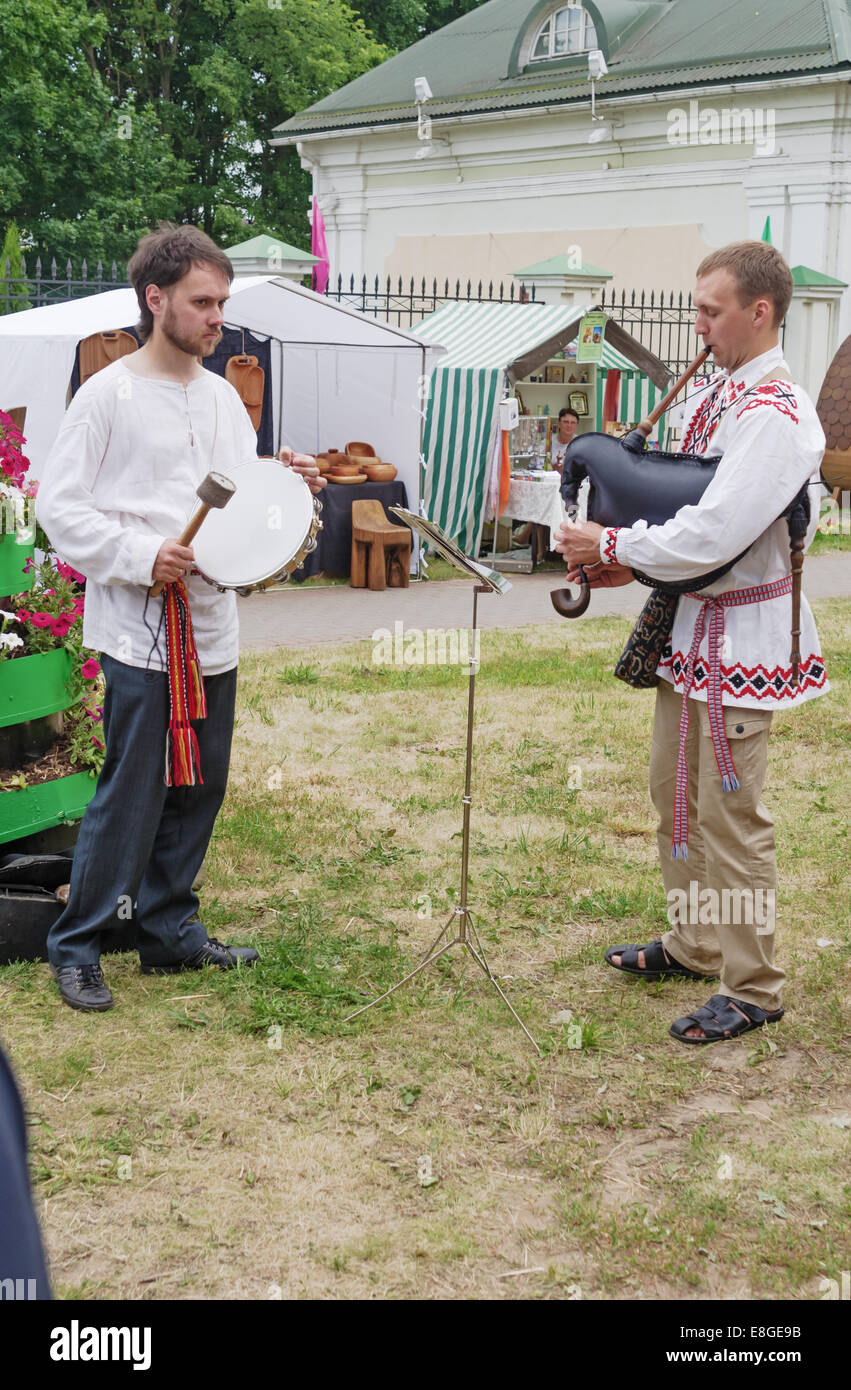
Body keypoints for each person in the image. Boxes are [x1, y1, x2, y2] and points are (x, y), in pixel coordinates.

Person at [36, 223, 325, 1013]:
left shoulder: (224, 396)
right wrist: (138, 555)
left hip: (212, 625)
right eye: (203, 302)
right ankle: (78, 943)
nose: (217, 320)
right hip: (139, 628)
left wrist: (283, 484)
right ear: (154, 298)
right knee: (132, 791)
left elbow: (234, 497)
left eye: (223, 303)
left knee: (200, 786)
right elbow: (59, 510)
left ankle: (168, 932)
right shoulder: (107, 394)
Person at [555, 241, 828, 1044]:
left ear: (759, 312)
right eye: (696, 306)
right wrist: (625, 561)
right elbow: (676, 516)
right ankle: (695, 940)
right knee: (671, 795)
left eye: (710, 310)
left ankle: (753, 987)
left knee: (731, 815)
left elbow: (713, 532)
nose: (696, 323)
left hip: (741, 636)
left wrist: (610, 548)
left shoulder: (775, 416)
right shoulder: (715, 395)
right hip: (689, 627)